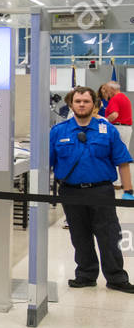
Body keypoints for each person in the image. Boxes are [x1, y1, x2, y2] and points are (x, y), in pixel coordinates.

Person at [49, 86, 134, 293]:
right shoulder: (59, 131)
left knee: (110, 236)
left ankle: (116, 278)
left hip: (101, 191)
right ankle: (86, 275)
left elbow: (122, 161)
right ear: (71, 104)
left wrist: (128, 191)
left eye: (86, 101)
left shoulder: (108, 130)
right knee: (79, 236)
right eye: (77, 101)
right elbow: (48, 164)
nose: (81, 105)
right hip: (71, 192)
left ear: (95, 104)